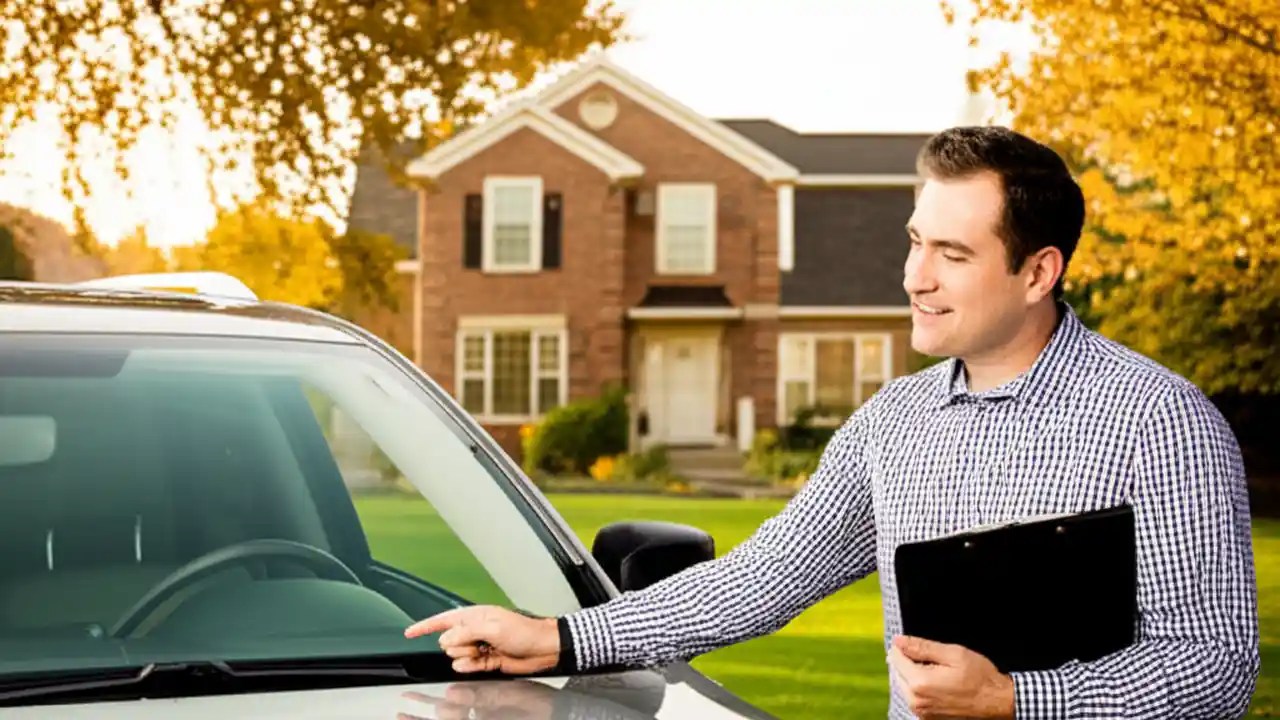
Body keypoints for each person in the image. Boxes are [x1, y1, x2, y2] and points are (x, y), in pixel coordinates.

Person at [405, 126, 1261, 719]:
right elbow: (760, 578)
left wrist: (1016, 700)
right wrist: (557, 638)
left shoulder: (1159, 423)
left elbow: (1216, 667)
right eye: (916, 241)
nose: (915, 278)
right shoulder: (894, 425)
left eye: (953, 254)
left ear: (1039, 272)